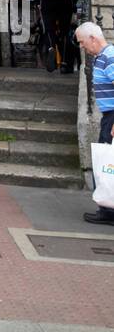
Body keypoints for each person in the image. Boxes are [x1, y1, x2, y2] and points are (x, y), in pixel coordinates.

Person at [75, 22, 114, 226]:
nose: (82, 47)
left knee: (108, 163)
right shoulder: (102, 58)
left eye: (82, 42)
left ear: (92, 38)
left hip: (112, 116)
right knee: (107, 163)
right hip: (109, 115)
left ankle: (108, 211)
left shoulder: (109, 57)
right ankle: (107, 208)